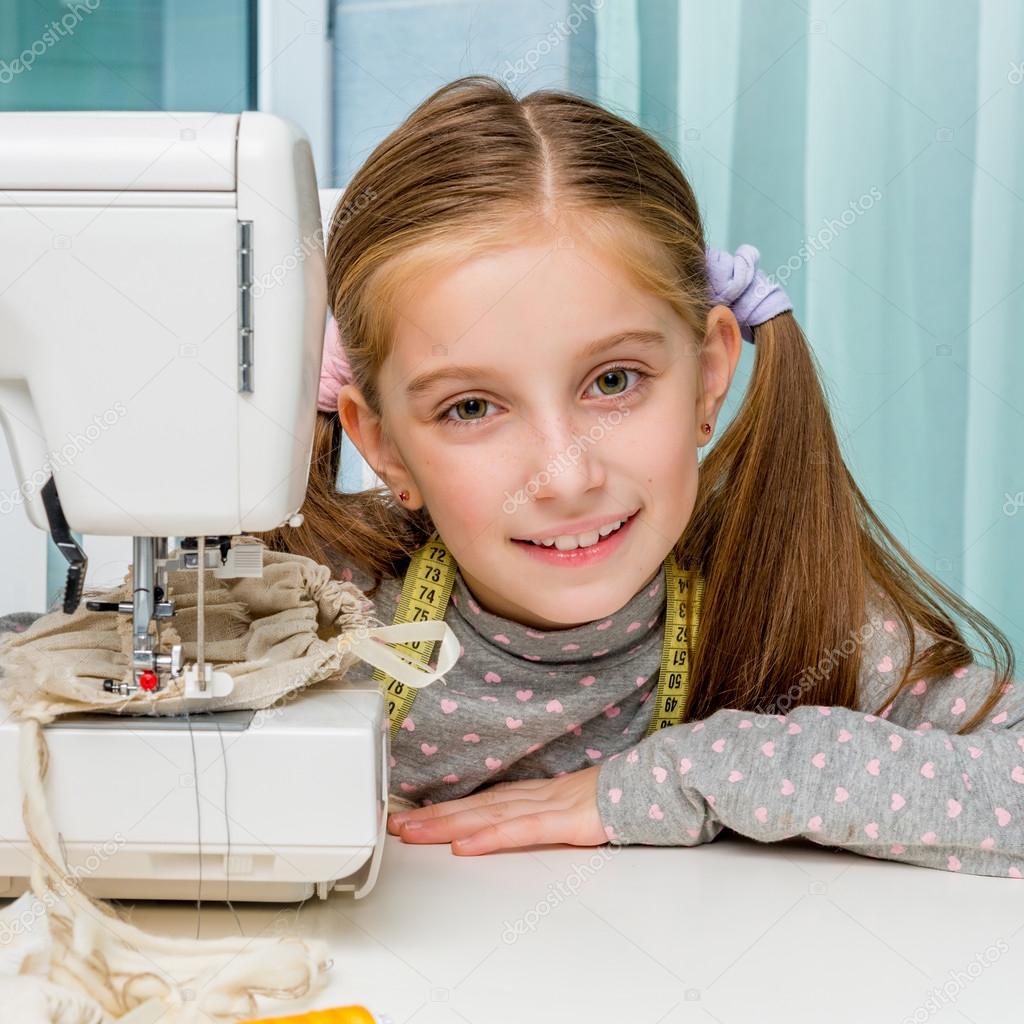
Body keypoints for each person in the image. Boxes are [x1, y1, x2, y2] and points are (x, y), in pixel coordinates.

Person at [268, 74, 1016, 877]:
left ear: (708, 377)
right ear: (382, 444)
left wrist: (698, 773)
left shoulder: (788, 614)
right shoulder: (314, 615)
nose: (566, 477)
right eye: (472, 407)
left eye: (613, 381)